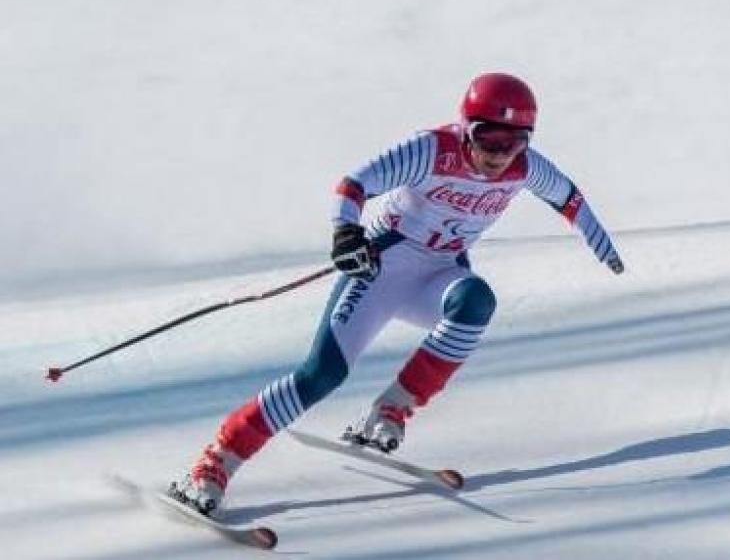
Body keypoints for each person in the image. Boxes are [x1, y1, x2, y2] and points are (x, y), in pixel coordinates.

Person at [171, 72, 624, 514]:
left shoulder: (526, 168)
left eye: (514, 143)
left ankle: (391, 410)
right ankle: (216, 462)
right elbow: (353, 185)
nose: (499, 155)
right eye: (488, 139)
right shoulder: (431, 150)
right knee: (320, 376)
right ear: (467, 129)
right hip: (381, 272)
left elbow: (569, 199)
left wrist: (602, 245)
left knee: (475, 303)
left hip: (438, 274)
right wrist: (346, 235)